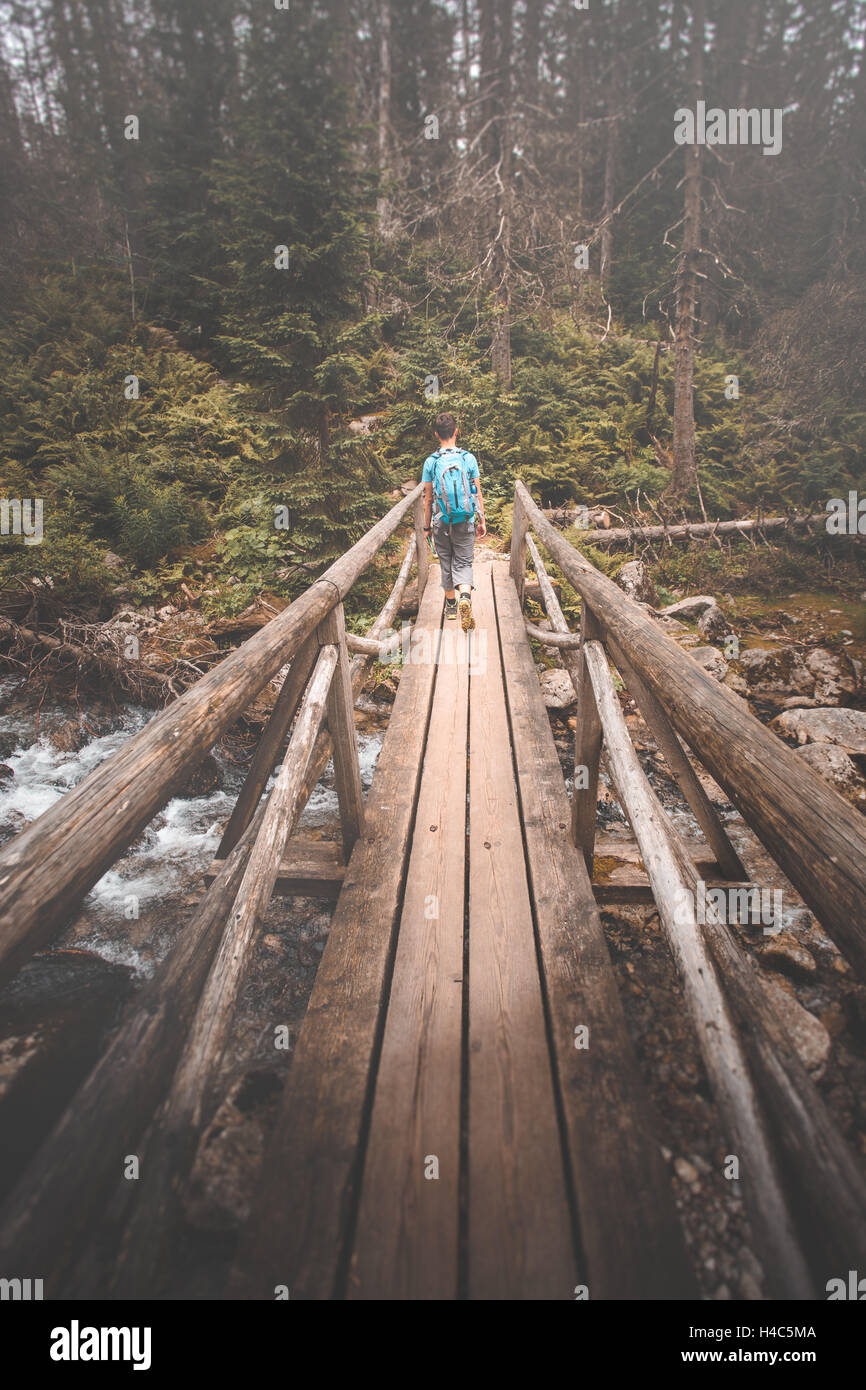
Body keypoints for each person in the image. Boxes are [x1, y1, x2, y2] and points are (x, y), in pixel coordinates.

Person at [421, 412, 487, 630]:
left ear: (436, 434)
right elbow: (476, 492)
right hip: (465, 518)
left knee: (446, 561)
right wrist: (481, 519)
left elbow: (428, 498)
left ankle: (451, 604)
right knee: (464, 562)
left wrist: (426, 527)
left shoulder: (431, 462)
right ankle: (465, 597)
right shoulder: (468, 458)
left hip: (441, 520)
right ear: (456, 432)